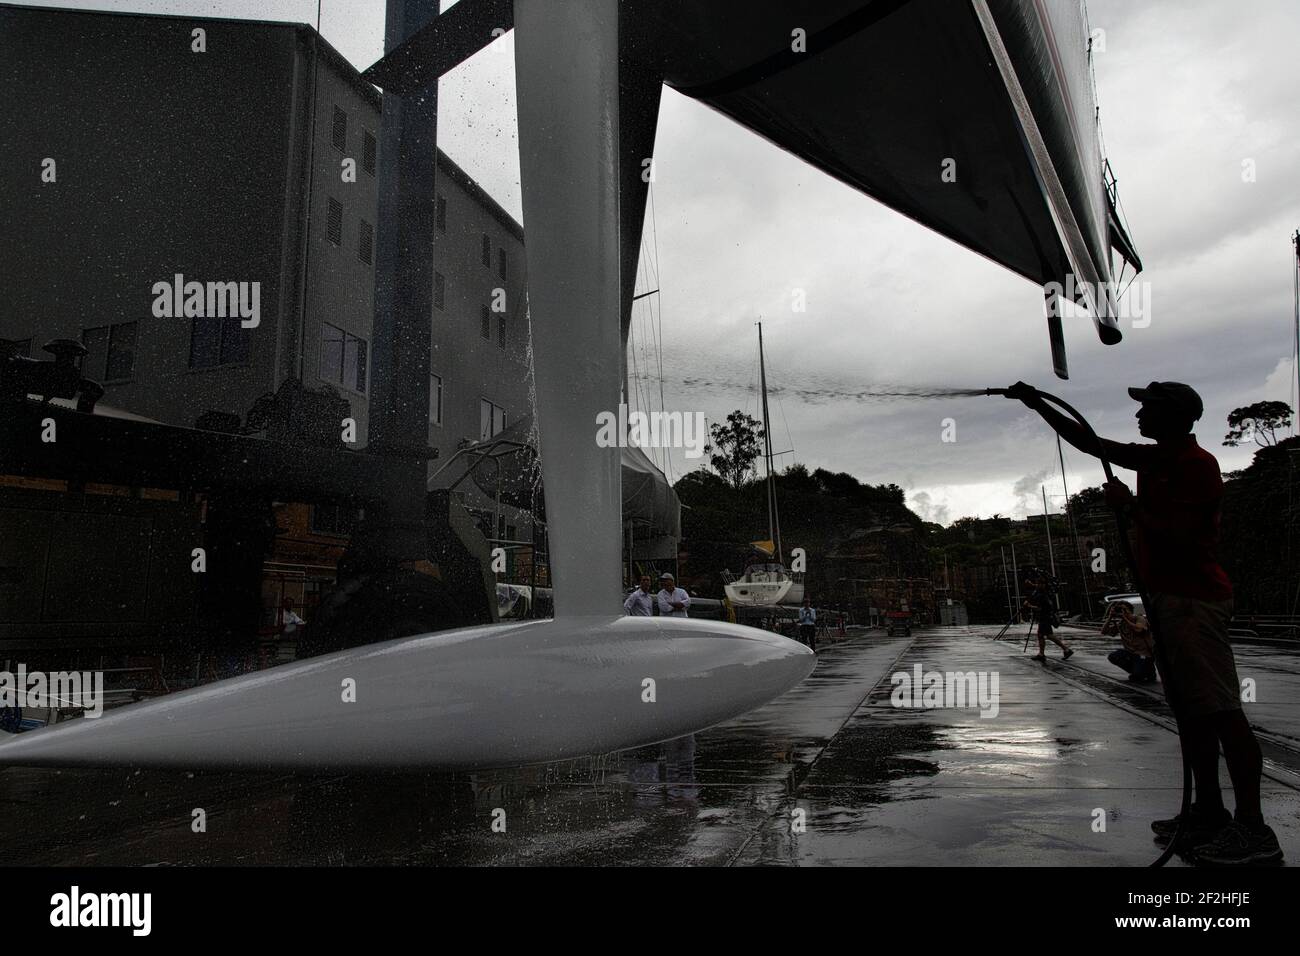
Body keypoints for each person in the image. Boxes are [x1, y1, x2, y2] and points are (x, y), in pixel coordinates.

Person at [1008, 380, 1282, 865]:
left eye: (1147, 408)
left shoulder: (1195, 466)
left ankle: (1253, 828)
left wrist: (1131, 509)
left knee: (1221, 713)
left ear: (1173, 416)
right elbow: (1092, 444)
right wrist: (1038, 404)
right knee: (1191, 712)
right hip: (1169, 601)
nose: (1138, 416)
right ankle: (1209, 811)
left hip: (1194, 601)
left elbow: (1188, 539)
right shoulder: (1158, 459)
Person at [1102, 600, 1156, 683]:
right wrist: (1110, 617)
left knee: (1137, 677)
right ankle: (1137, 671)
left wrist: (1125, 618)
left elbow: (1139, 629)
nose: (1121, 612)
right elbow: (1104, 632)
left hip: (1144, 653)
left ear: (1129, 610)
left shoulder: (1139, 618)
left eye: (1124, 609)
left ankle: (1149, 671)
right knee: (1113, 656)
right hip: (1130, 653)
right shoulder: (1121, 623)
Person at [1023, 572, 1073, 662]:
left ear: (1044, 584)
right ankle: (1042, 653)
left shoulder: (1042, 596)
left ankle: (1066, 649)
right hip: (1045, 617)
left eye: (1039, 584)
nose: (1037, 585)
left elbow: (1039, 608)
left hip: (1045, 617)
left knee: (1049, 635)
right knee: (1041, 635)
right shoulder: (1046, 591)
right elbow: (1039, 587)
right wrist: (1032, 585)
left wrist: (1029, 605)